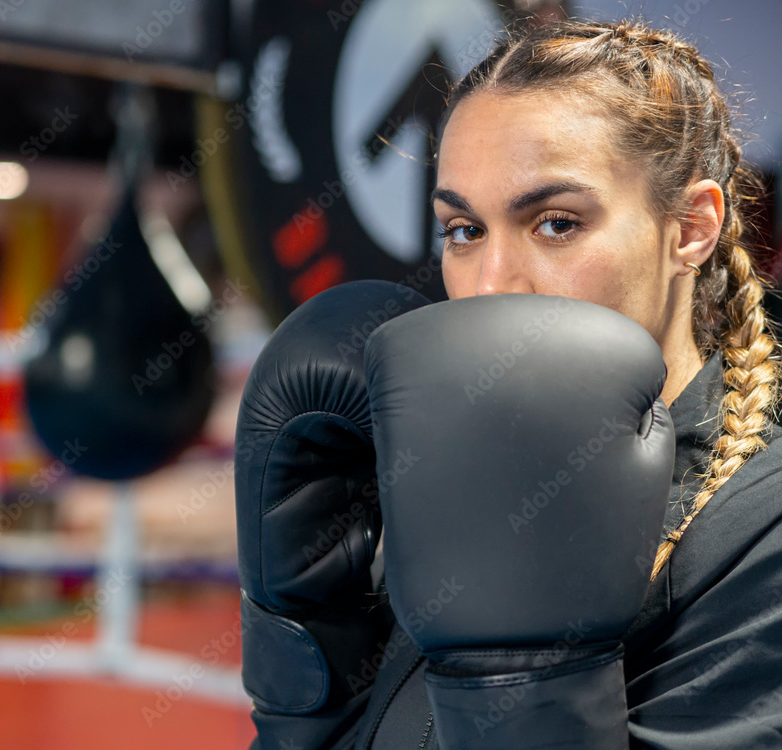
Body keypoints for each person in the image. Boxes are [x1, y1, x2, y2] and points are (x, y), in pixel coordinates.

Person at [234, 18, 782, 749]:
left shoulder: (760, 530)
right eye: (463, 230)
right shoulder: (463, 474)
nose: (491, 284)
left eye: (555, 223)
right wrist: (304, 675)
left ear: (690, 227)